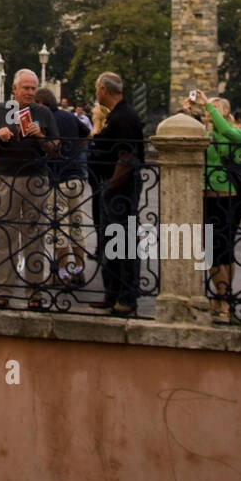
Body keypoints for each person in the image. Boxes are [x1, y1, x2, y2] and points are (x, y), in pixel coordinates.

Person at [0, 70, 58, 307]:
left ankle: (35, 293)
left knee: (35, 235)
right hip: (6, 177)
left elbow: (55, 147)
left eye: (33, 88)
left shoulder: (43, 112)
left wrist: (40, 135)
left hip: (36, 179)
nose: (30, 93)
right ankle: (3, 291)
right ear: (14, 89)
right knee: (5, 236)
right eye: (26, 88)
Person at [184, 91, 241, 324]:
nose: (210, 110)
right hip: (208, 194)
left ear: (225, 111)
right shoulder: (208, 133)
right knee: (210, 250)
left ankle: (224, 298)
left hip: (227, 196)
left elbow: (225, 141)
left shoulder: (237, 134)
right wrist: (189, 114)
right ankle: (220, 294)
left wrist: (208, 107)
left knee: (224, 248)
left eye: (215, 107)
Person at [86, 72, 145, 317]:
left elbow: (127, 156)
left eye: (96, 89)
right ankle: (111, 294)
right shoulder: (118, 115)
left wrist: (110, 185)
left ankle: (126, 297)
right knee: (109, 241)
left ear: (102, 89)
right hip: (112, 187)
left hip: (120, 190)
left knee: (123, 242)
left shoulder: (124, 117)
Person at [36, 86, 90, 286]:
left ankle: (60, 273)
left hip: (57, 179)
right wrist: (75, 151)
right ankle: (78, 269)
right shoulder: (68, 116)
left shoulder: (44, 118)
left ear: (41, 103)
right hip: (75, 177)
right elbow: (87, 134)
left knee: (58, 228)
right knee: (76, 226)